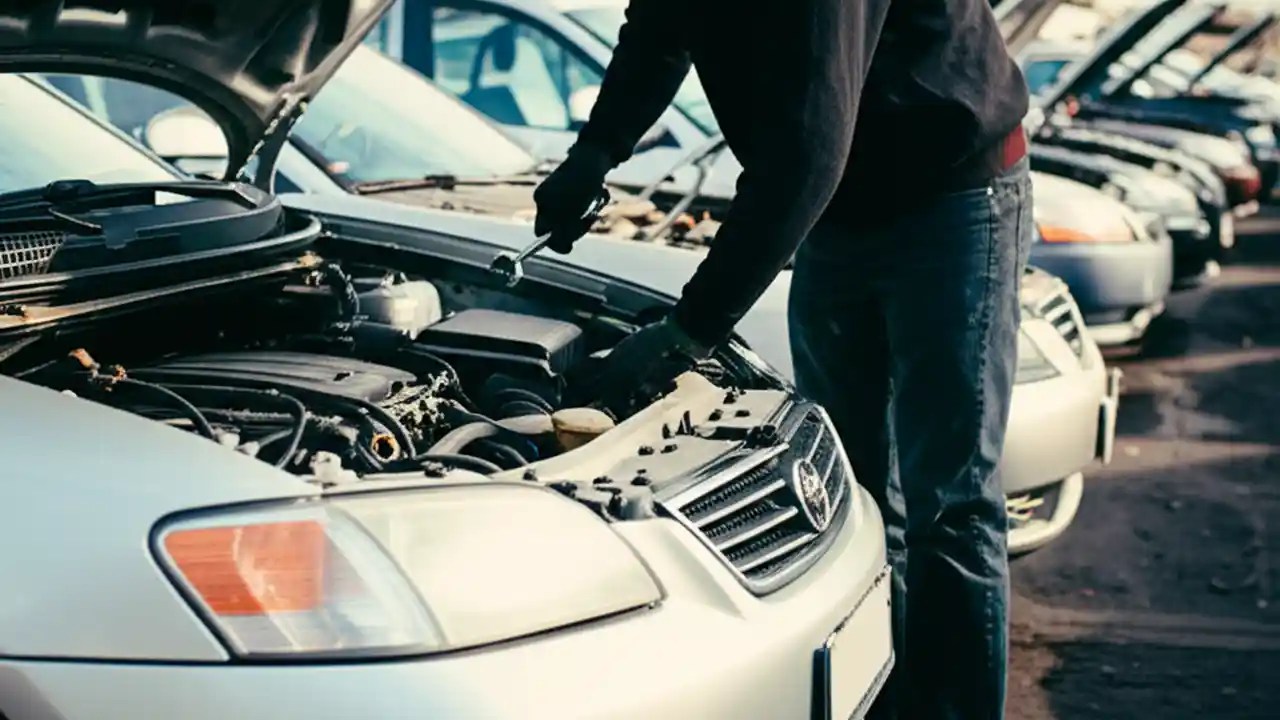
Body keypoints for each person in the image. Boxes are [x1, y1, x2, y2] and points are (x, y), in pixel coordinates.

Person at [533, 1, 1032, 717]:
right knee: (849, 496)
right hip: (842, 206)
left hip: (951, 196)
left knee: (950, 506)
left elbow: (808, 150)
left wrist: (689, 330)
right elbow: (659, 32)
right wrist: (596, 150)